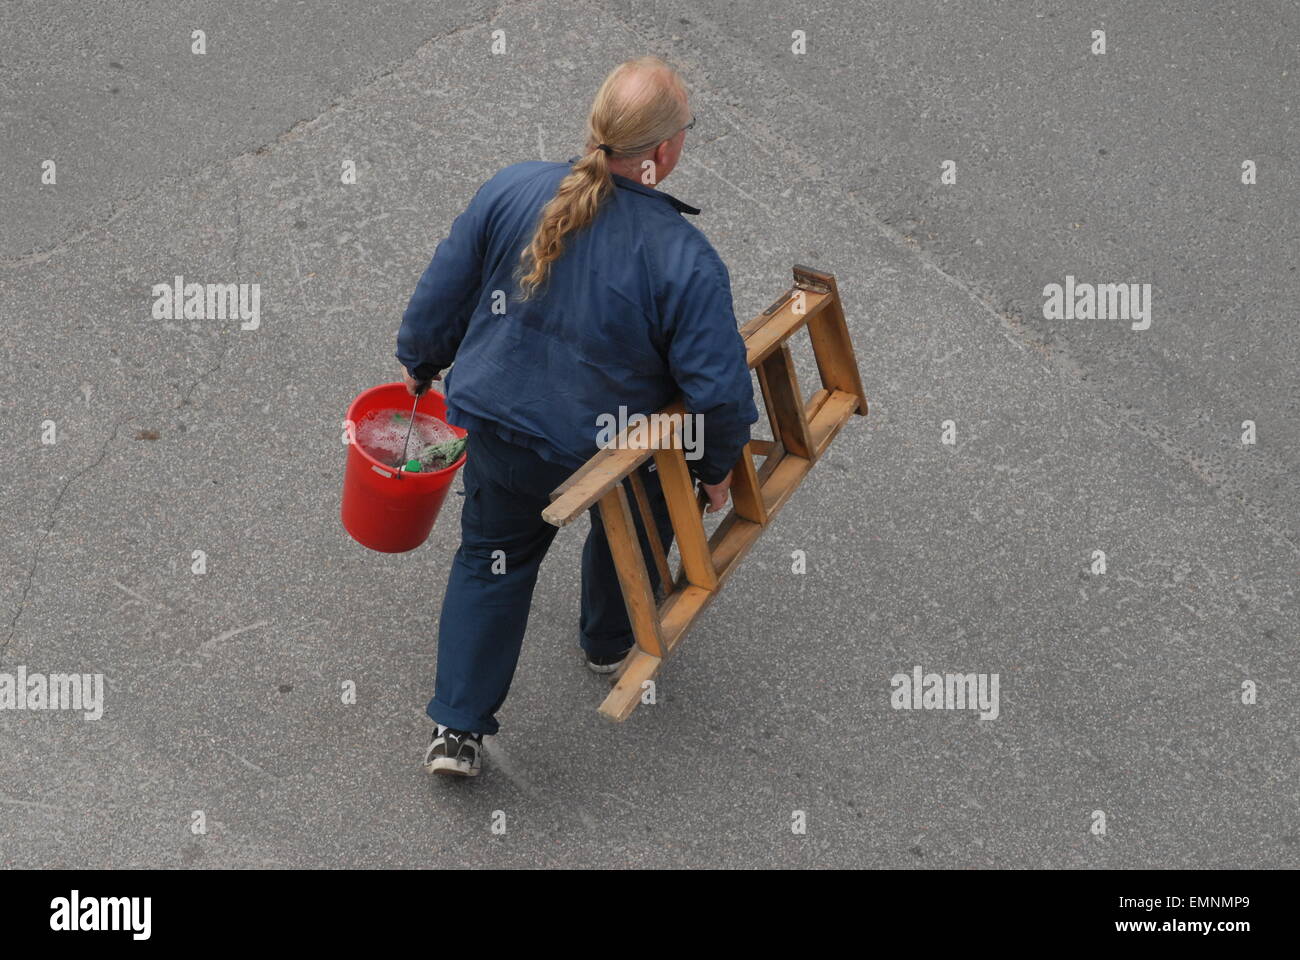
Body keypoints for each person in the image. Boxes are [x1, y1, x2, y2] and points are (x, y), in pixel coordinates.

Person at [396, 56, 758, 777]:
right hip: (607, 455)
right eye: (685, 128)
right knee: (640, 514)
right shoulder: (683, 258)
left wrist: (421, 362)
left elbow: (443, 291)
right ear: (661, 153)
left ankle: (457, 729)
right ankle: (606, 639)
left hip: (498, 427)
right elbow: (716, 390)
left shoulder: (513, 188)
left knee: (492, 558)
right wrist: (716, 468)